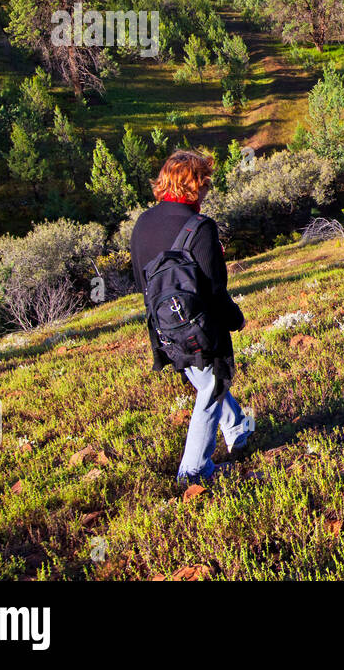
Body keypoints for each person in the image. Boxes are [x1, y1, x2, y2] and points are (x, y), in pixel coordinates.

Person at [131, 150, 250, 483]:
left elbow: (140, 280)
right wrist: (234, 318)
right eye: (205, 181)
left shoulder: (142, 223)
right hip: (199, 325)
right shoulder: (200, 227)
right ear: (195, 184)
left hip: (162, 324)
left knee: (203, 378)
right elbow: (214, 288)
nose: (208, 187)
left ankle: (238, 430)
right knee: (212, 384)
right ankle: (193, 471)